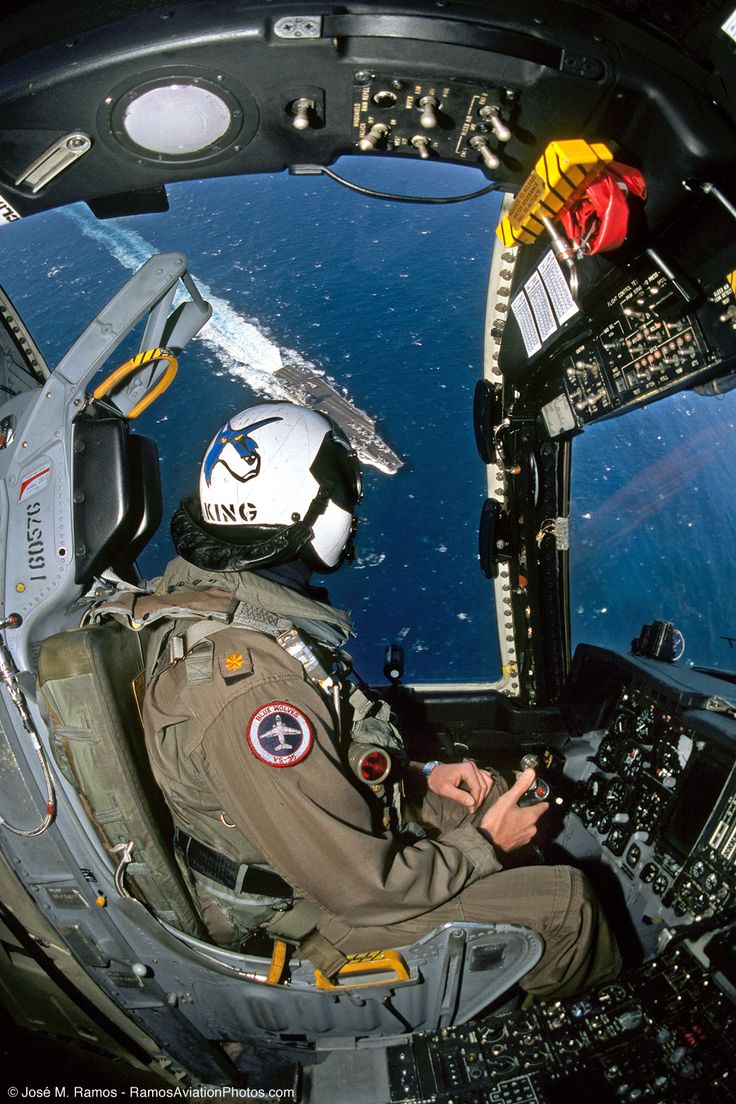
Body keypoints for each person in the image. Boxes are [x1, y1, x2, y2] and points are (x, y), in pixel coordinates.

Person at [142, 401, 621, 999]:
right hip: (298, 914)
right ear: (303, 513)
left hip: (302, 854)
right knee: (568, 906)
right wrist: (486, 846)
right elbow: (361, 889)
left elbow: (324, 755)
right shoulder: (257, 688)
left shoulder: (225, 602)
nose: (353, 511)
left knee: (489, 792)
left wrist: (419, 774)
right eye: (343, 494)